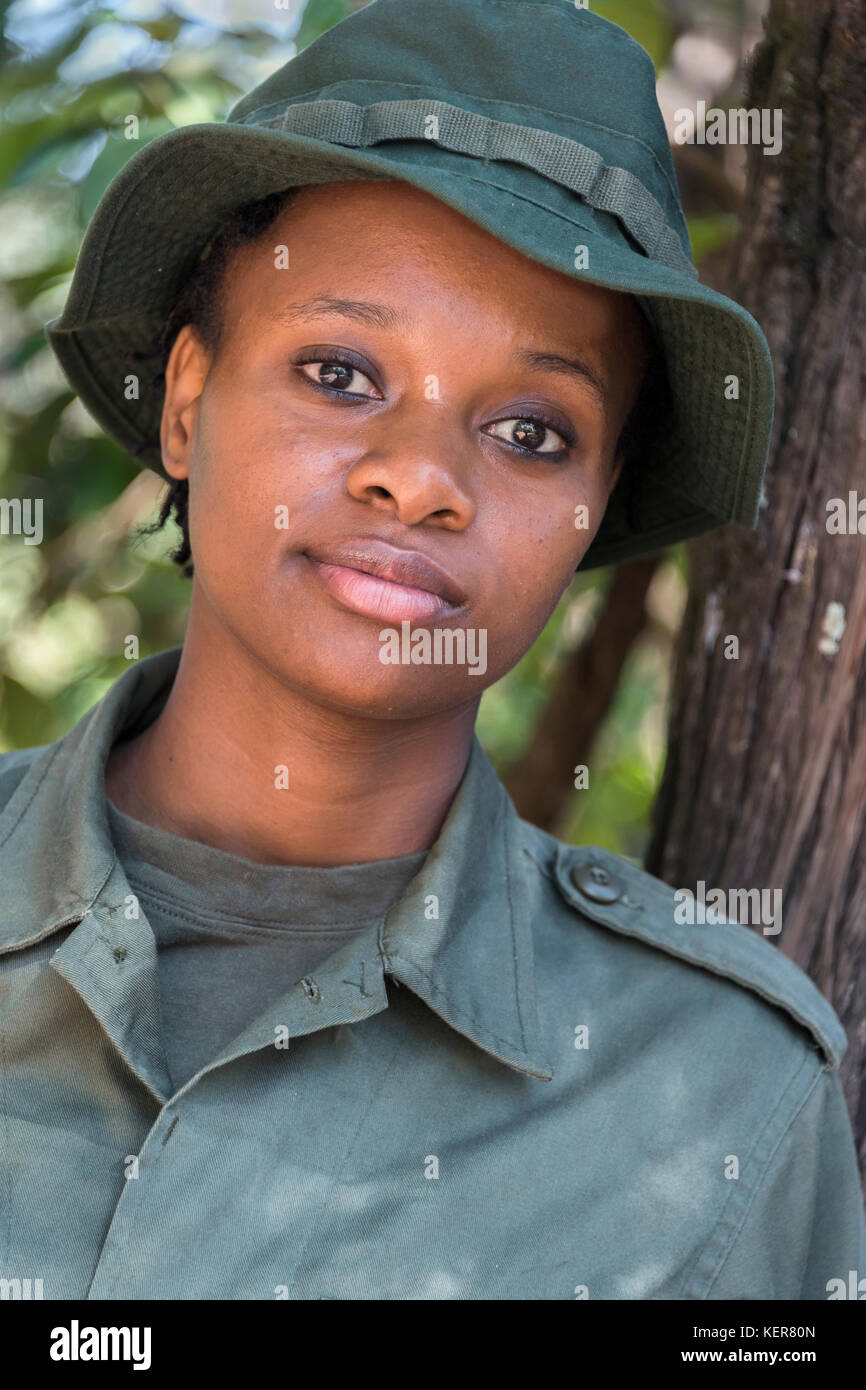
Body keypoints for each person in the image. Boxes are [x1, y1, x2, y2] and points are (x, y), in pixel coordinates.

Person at [2, 0, 862, 1300]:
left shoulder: (719, 1086)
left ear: (591, 511)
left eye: (531, 432)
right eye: (341, 372)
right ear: (188, 402)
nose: (418, 479)